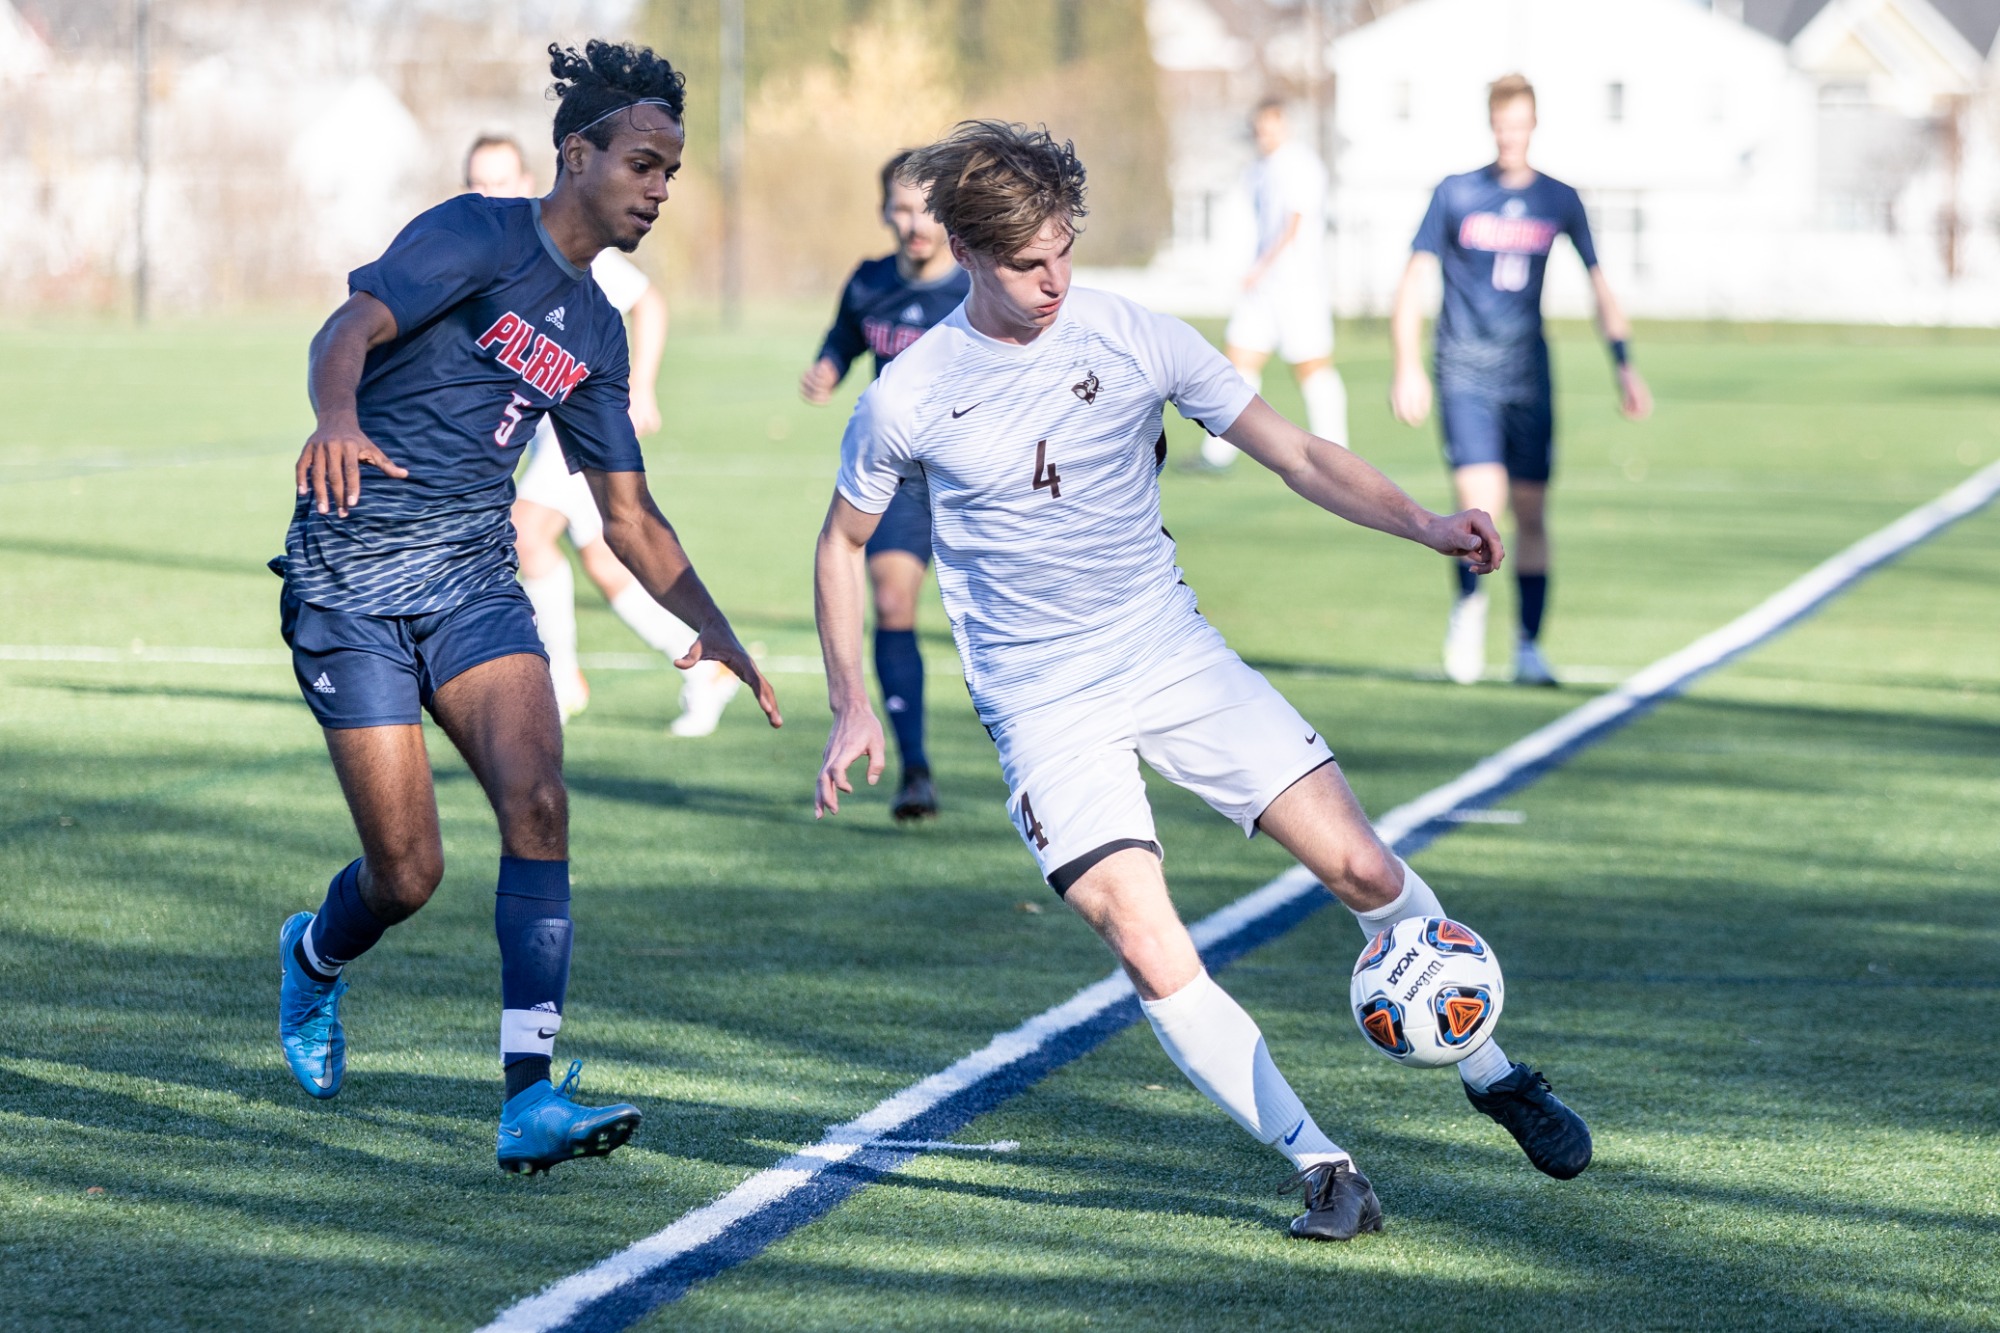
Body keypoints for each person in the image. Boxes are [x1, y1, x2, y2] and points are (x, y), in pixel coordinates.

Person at [813, 121, 1591, 1241]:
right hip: (1041, 706)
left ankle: (1492, 1071)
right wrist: (850, 699)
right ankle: (1319, 1162)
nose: (1054, 282)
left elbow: (1298, 452)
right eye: (1029, 264)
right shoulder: (909, 394)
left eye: (1065, 251)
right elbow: (842, 544)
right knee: (1142, 930)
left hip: (1168, 653)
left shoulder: (1132, 335)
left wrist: (1422, 523)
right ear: (971, 256)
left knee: (1362, 865)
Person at [274, 40, 781, 1174]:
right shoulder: (477, 232)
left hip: (470, 583)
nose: (657, 189)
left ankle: (527, 1095)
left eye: (670, 173)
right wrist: (338, 420)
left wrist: (718, 629)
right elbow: (345, 329)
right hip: (349, 584)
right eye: (643, 164)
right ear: (577, 153)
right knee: (406, 874)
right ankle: (313, 959)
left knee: (539, 805)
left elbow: (630, 517)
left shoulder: (596, 332)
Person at [464, 133, 740, 736]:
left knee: (526, 532)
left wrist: (640, 388)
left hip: (575, 428)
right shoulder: (479, 250)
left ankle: (562, 680)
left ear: (526, 180)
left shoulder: (557, 245)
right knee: (606, 563)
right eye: (477, 181)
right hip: (540, 432)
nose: (489, 192)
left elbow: (650, 302)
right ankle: (702, 668)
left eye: (501, 179)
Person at [1390, 73, 1650, 687]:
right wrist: (1406, 365)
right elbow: (1413, 277)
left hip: (1528, 375)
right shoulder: (1455, 194)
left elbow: (1599, 282)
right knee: (1481, 506)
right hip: (1464, 368)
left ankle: (1529, 646)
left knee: (1532, 513)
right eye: (1503, 126)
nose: (1511, 137)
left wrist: (1624, 362)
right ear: (1492, 125)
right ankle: (1469, 611)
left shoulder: (1559, 199)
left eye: (1521, 126)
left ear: (1533, 126)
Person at [799, 152, 970, 821]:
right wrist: (827, 367)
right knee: (893, 598)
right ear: (883, 214)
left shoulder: (976, 289)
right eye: (900, 208)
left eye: (926, 208)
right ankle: (915, 766)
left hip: (975, 476)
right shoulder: (870, 280)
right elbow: (844, 337)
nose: (913, 222)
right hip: (899, 476)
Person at [1202, 97, 1347, 470]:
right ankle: (1218, 452)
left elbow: (1295, 223)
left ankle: (1337, 453)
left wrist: (1262, 266)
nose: (1264, 136)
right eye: (1260, 129)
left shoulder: (1301, 165)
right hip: (1264, 289)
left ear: (1286, 126)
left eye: (1271, 128)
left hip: (1297, 286)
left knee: (1312, 366)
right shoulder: (1258, 170)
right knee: (1238, 359)